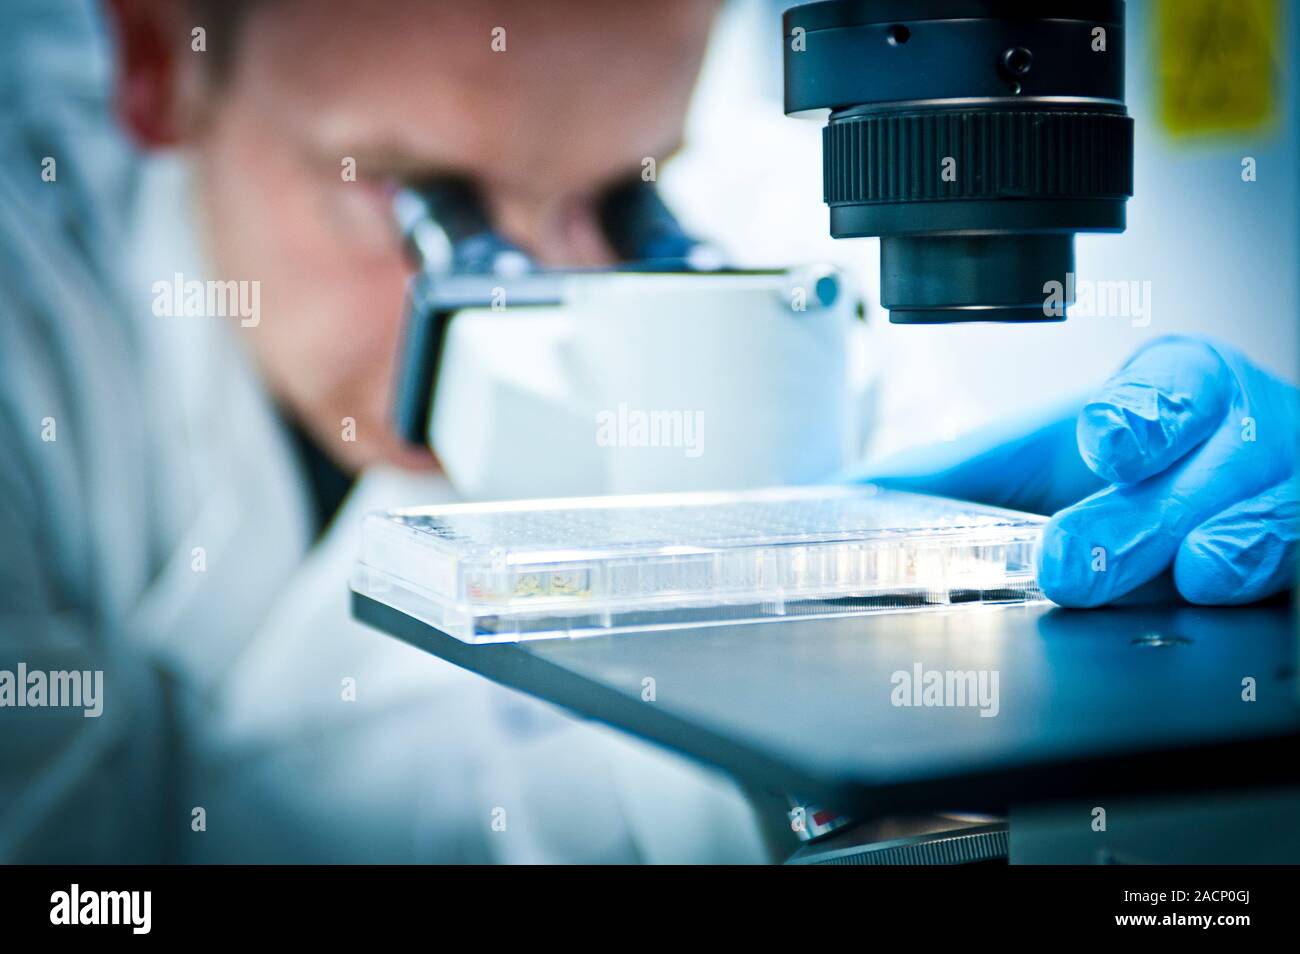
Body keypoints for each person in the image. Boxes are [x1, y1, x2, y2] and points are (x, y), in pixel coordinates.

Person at [0, 0, 1294, 863]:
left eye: (628, 202)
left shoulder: (751, 223)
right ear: (161, 61)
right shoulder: (26, 316)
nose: (560, 295)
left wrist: (1156, 538)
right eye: (420, 204)